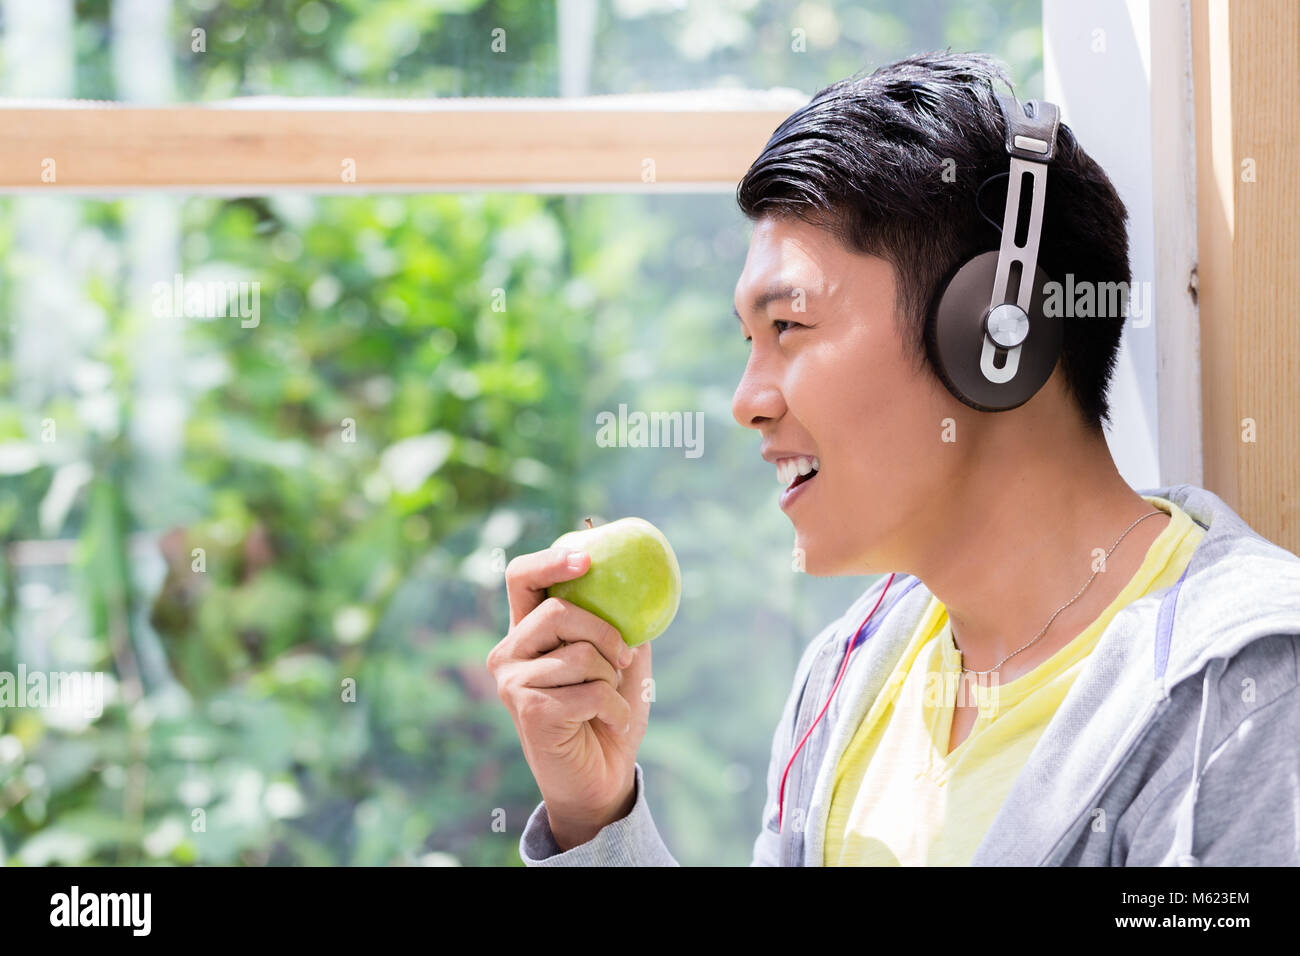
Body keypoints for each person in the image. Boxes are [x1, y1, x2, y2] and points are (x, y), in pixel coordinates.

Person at [486, 51, 1300, 866]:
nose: (747, 401)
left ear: (993, 334)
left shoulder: (1247, 701)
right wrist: (594, 815)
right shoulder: (848, 675)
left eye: (790, 328)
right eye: (749, 342)